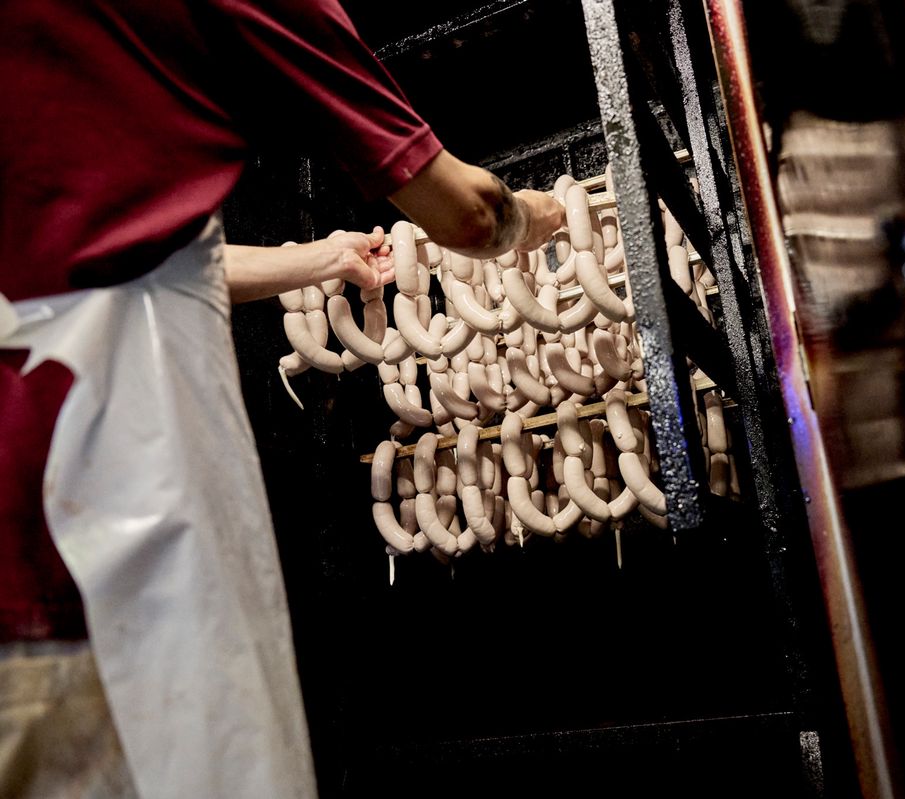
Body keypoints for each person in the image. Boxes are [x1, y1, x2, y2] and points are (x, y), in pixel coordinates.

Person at [0, 2, 564, 797]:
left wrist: (319, 257)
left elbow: (127, 257)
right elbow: (468, 214)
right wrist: (543, 213)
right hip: (119, 479)